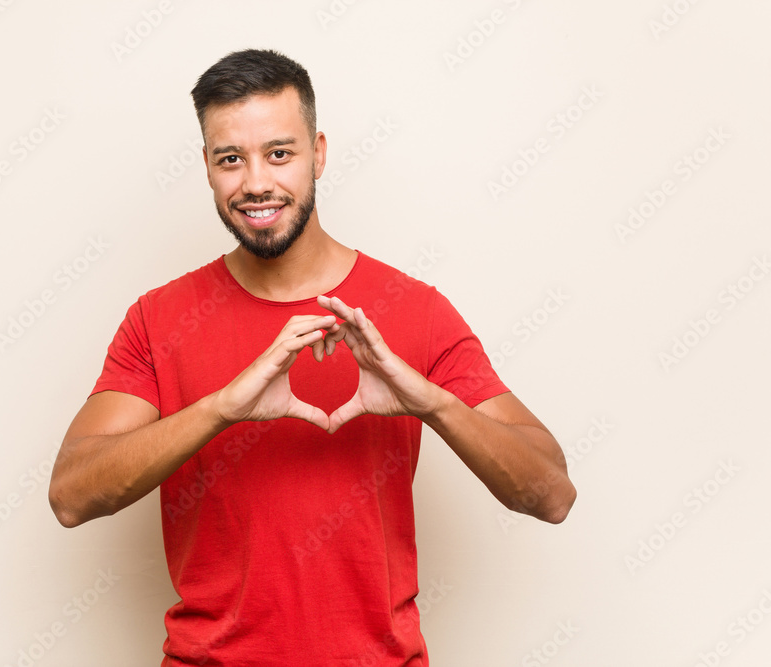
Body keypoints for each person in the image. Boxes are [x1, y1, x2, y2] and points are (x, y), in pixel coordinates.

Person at [48, 48, 576, 666]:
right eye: (230, 160)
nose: (255, 183)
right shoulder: (158, 317)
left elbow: (551, 495)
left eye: (279, 153)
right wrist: (221, 408)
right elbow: (72, 496)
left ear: (318, 152)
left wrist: (431, 403)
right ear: (207, 167)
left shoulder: (416, 309)